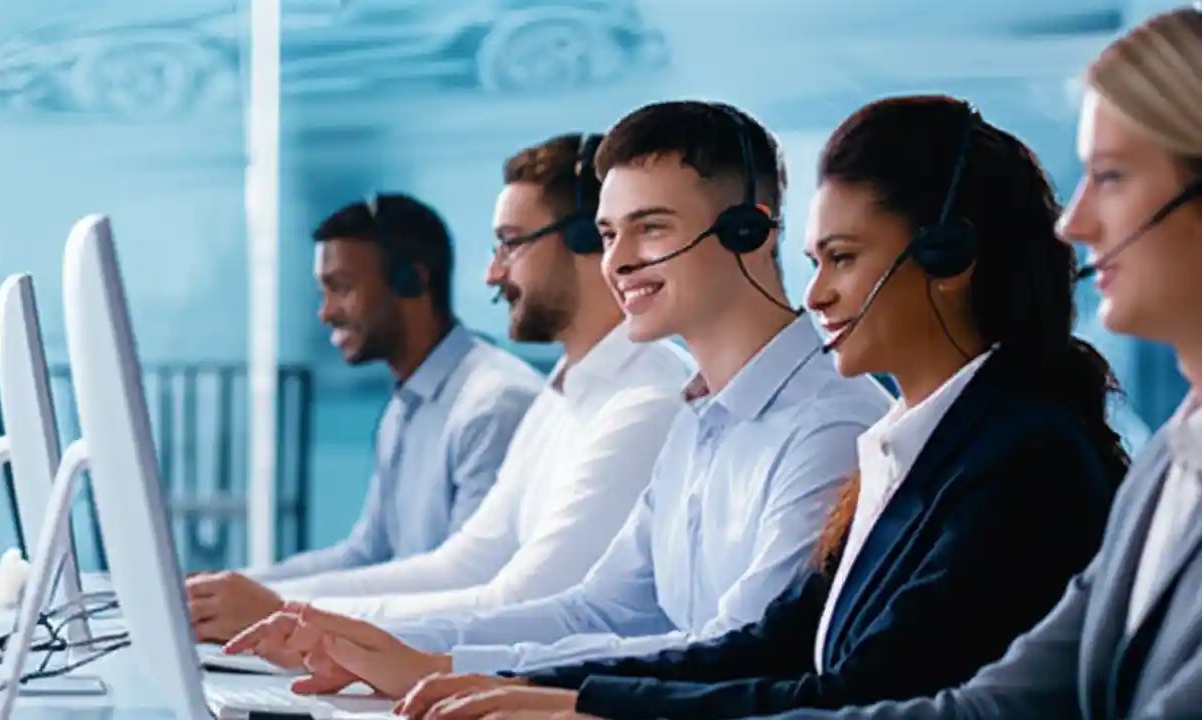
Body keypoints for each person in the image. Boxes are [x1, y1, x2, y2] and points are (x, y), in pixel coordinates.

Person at [382, 95, 1133, 720]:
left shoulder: (1019, 459)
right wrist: (538, 689)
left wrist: (581, 706)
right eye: (816, 262)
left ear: (945, 259)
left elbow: (857, 694)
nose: (817, 295)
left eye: (843, 259)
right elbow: (773, 644)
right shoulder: (909, 451)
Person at [222, 101, 892, 696]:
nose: (618, 262)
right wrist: (384, 646)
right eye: (607, 235)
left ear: (752, 231)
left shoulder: (828, 424)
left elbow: (734, 656)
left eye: (650, 228)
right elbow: (594, 610)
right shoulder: (697, 416)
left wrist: (446, 668)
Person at [771, 8, 1202, 719]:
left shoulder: (1030, 457)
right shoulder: (1169, 465)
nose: (1076, 222)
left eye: (1113, 176)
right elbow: (989, 708)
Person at [238, 133, 694, 624]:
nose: (492, 274)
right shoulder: (562, 395)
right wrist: (266, 607)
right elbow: (467, 563)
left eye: (510, 244)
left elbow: (523, 604)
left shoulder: (644, 403)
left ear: (589, 241)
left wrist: (283, 615)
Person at [186, 193, 543, 642]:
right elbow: (365, 554)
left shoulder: (493, 406)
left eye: (341, 287)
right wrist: (223, 593)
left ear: (412, 281)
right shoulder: (406, 404)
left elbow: (471, 581)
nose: (326, 311)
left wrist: (275, 610)